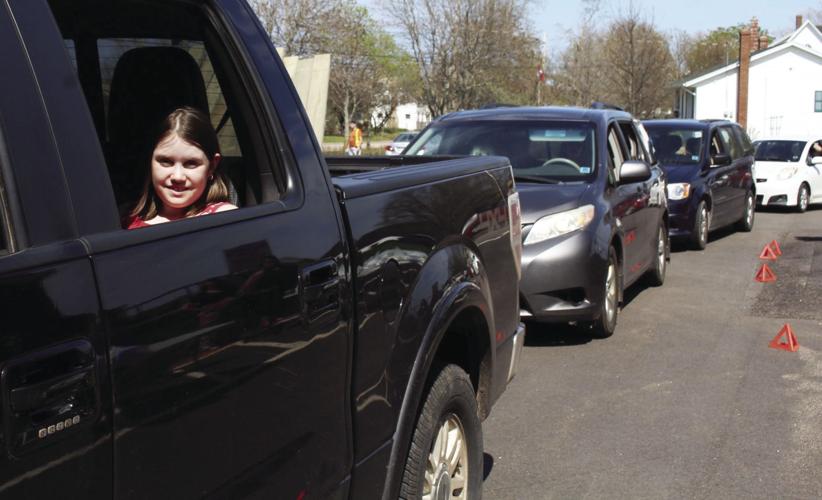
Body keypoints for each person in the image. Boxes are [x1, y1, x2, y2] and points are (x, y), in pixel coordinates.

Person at [125, 107, 237, 229]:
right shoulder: (126, 217)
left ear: (212, 166)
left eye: (191, 163)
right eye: (166, 161)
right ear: (150, 161)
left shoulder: (224, 218)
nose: (177, 177)